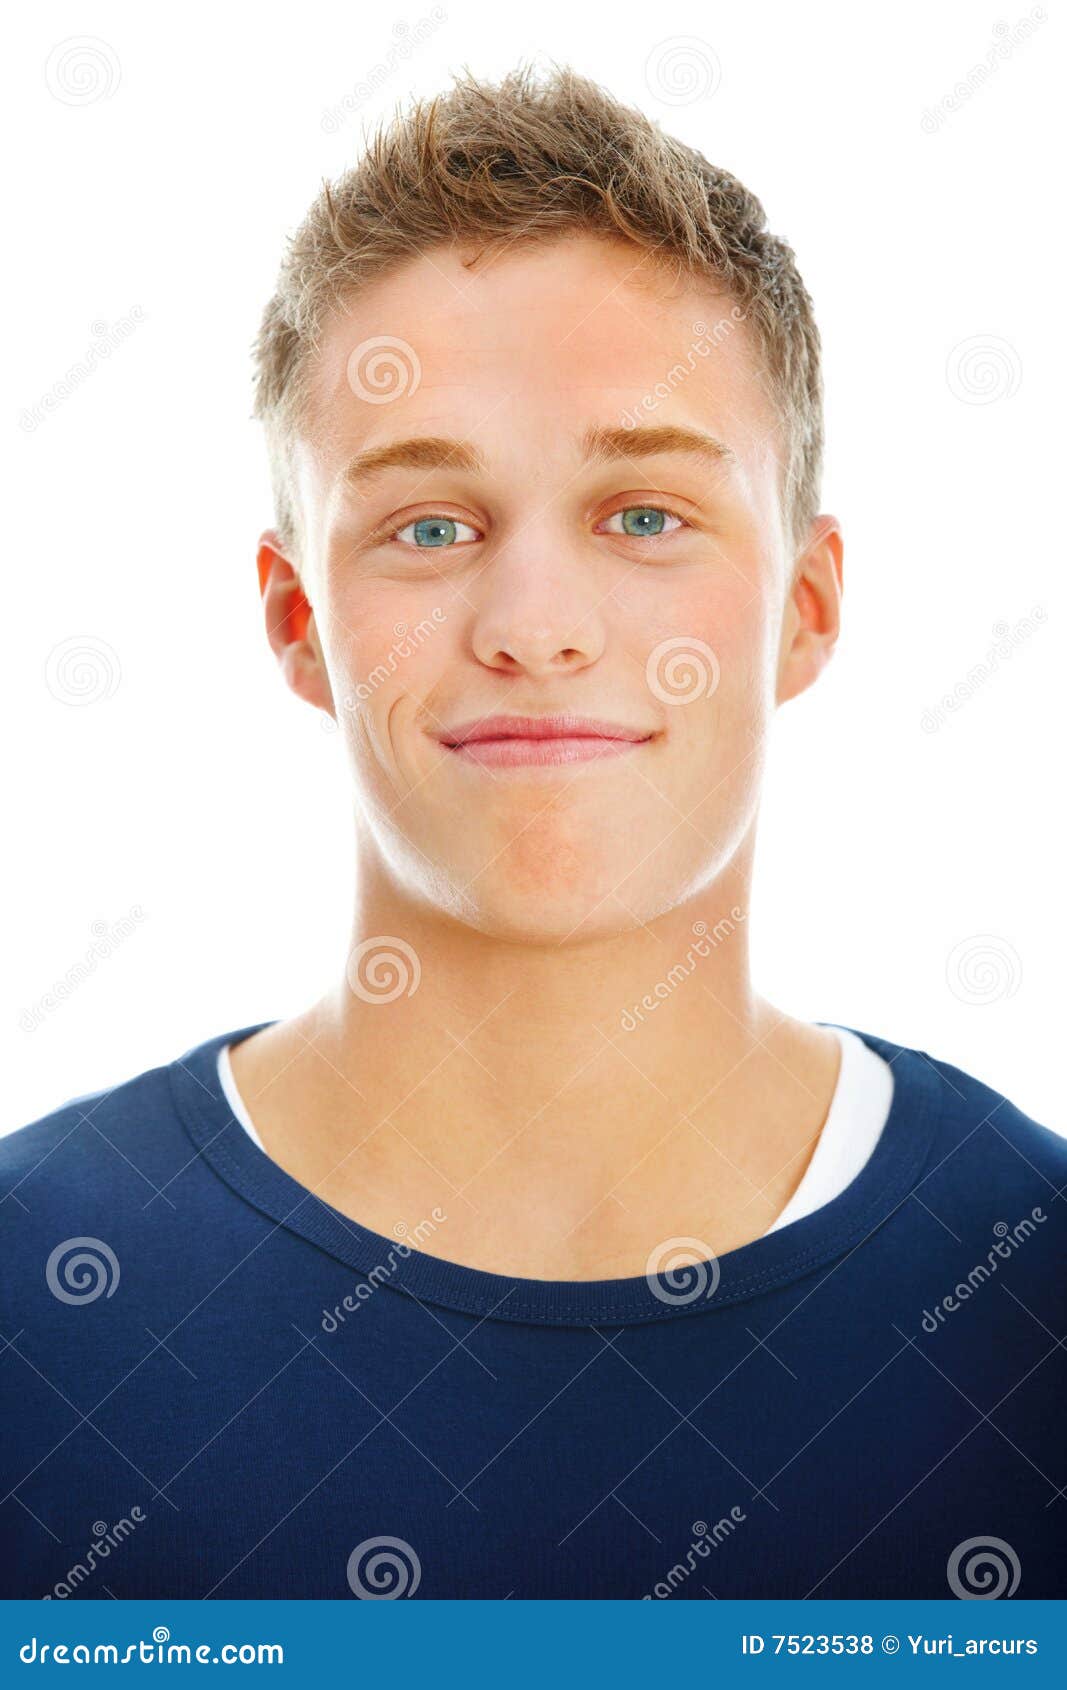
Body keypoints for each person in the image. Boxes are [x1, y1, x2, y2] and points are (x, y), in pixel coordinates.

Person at [2, 64, 1063, 1602]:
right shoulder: (34, 1297)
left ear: (807, 606)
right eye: (431, 526)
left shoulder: (1033, 1291)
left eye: (644, 514)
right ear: (297, 620)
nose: (537, 625)